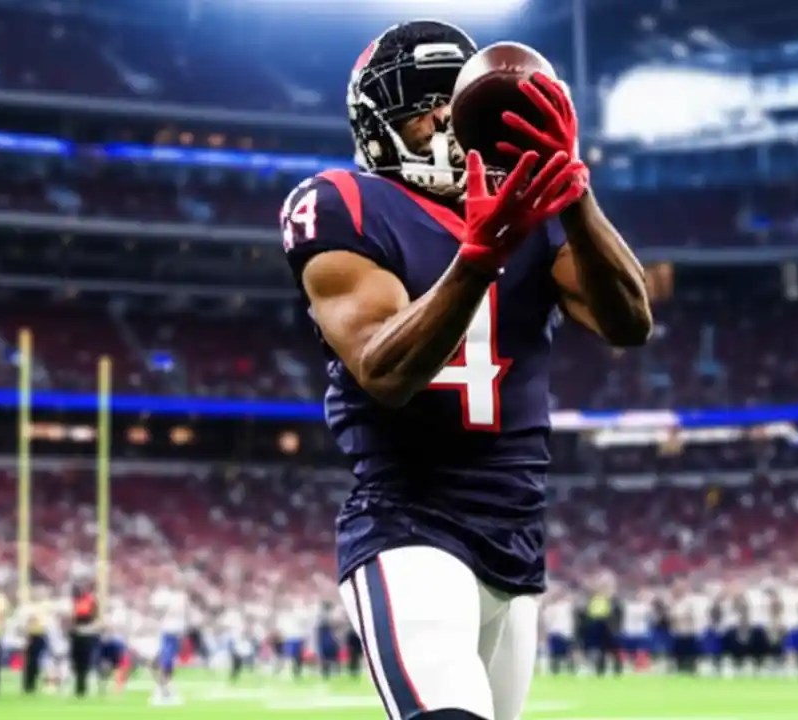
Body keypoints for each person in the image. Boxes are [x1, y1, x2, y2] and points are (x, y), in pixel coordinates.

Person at [279, 19, 651, 720]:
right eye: (429, 114)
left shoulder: (536, 210)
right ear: (382, 128)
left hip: (516, 533)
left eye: (462, 112)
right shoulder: (344, 203)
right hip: (409, 523)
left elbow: (628, 323)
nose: (449, 131)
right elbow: (384, 368)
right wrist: (477, 258)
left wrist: (573, 193)